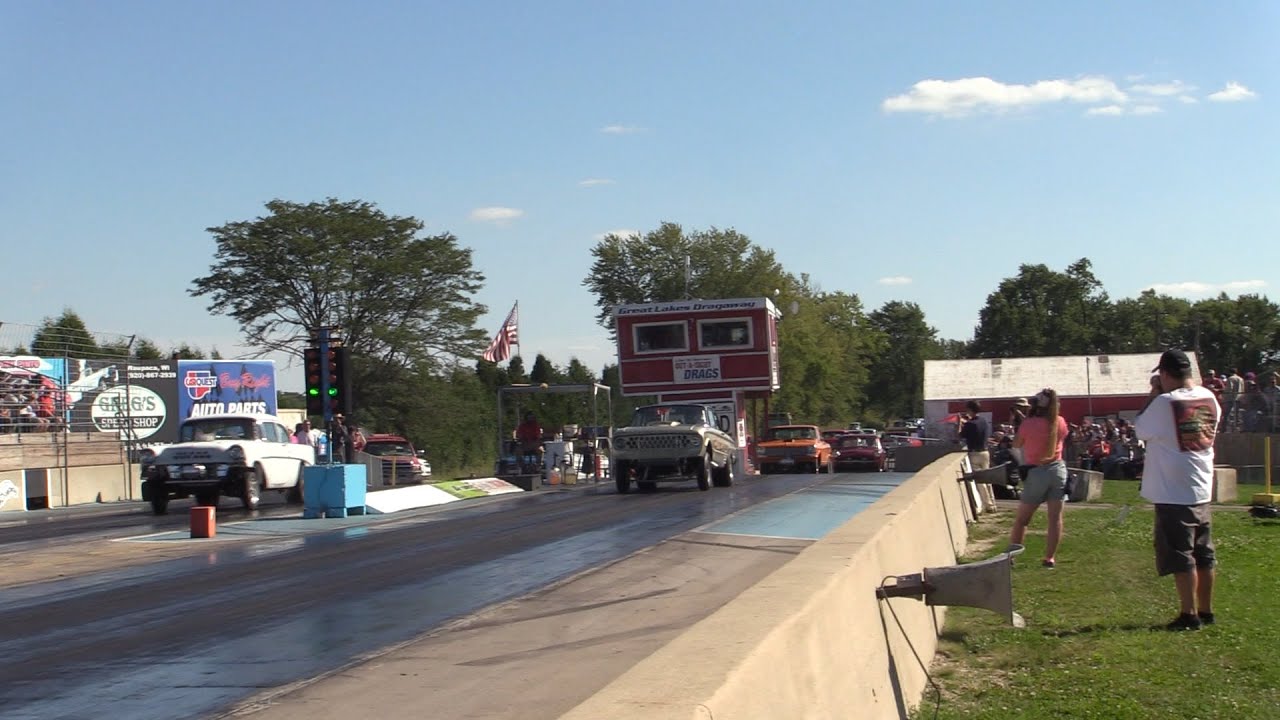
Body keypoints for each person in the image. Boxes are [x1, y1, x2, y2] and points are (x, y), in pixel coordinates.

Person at [1135, 348, 1221, 631]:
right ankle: (1206, 610)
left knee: (1180, 554)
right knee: (1203, 553)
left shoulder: (1164, 403)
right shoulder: (1209, 398)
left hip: (1173, 490)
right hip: (1201, 485)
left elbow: (1141, 430)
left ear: (1165, 374)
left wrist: (1154, 394)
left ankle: (1188, 614)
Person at [1008, 388, 1069, 568]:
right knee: (1055, 518)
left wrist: (1023, 421)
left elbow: (1017, 444)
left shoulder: (1029, 423)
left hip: (1036, 471)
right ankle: (1050, 557)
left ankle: (1011, 556)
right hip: (1058, 469)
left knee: (1023, 519)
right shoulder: (1060, 421)